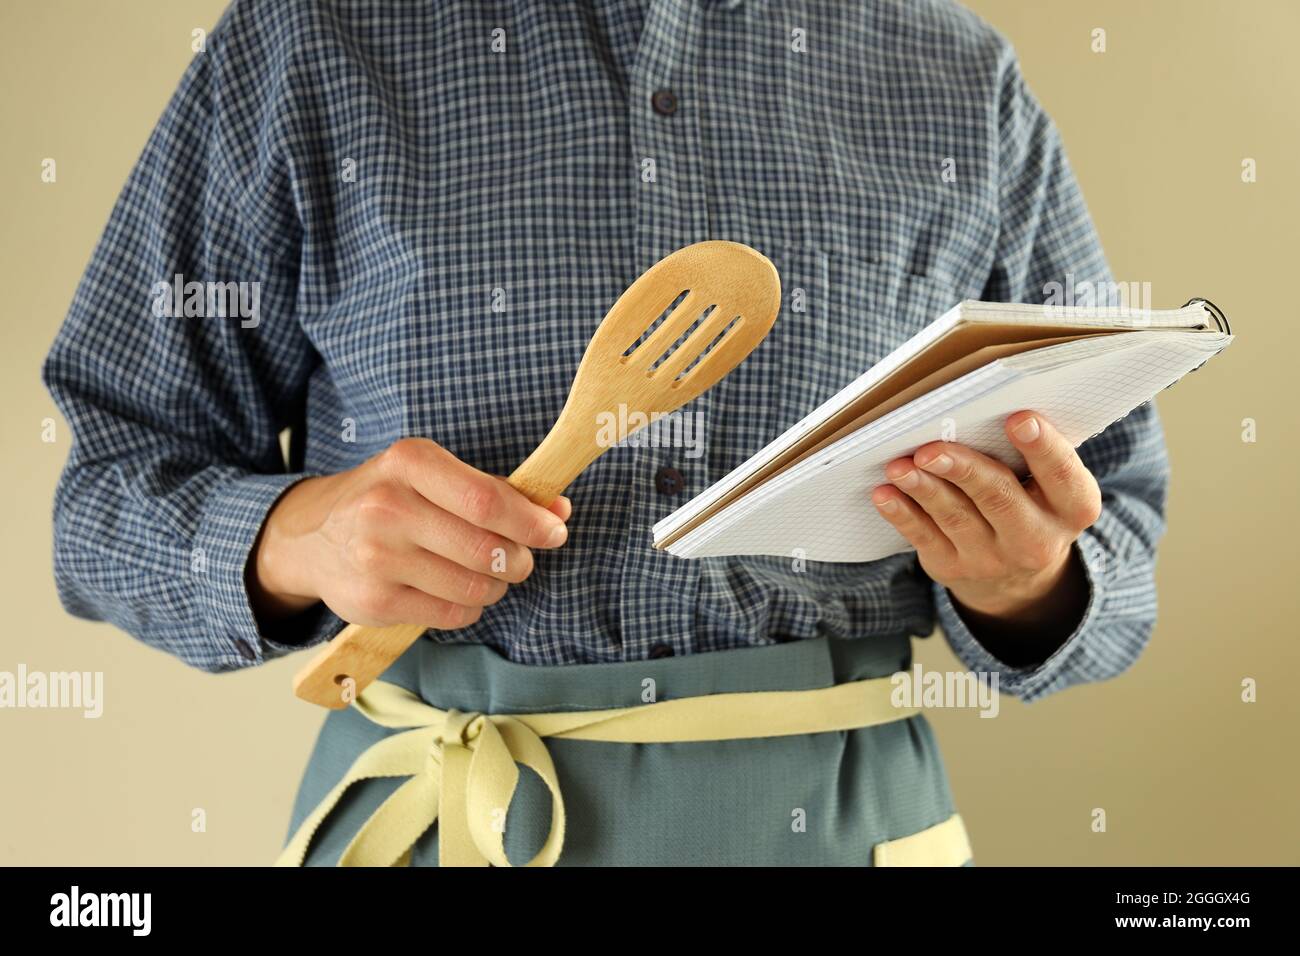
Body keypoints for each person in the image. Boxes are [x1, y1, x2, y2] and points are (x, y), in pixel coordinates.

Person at [43, 0, 1167, 866]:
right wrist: (299, 537)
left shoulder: (958, 74)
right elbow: (101, 502)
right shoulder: (306, 40)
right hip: (440, 820)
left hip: (843, 829)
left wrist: (1028, 577)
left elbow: (1119, 533)